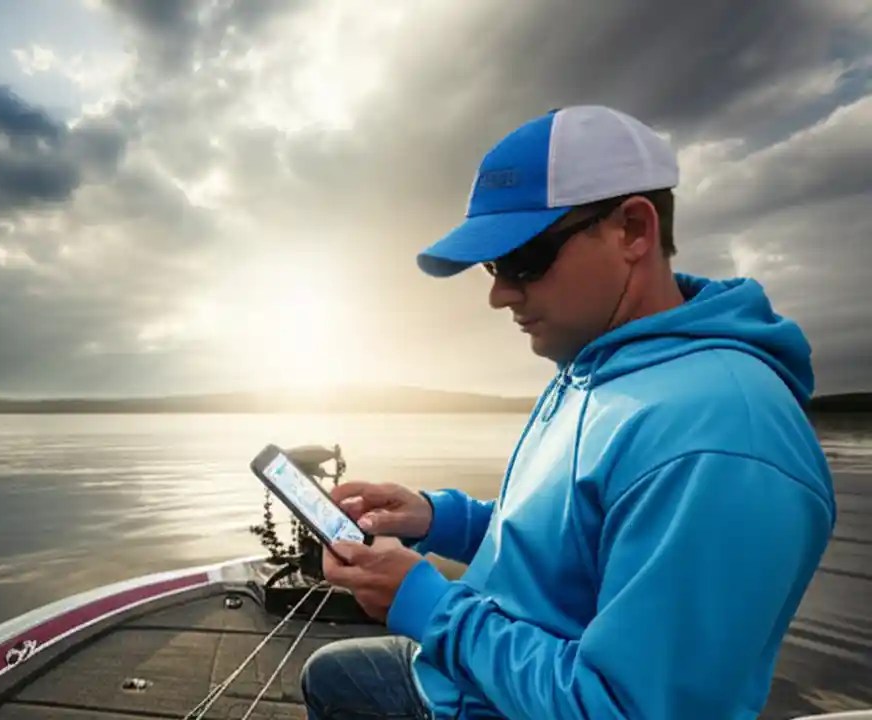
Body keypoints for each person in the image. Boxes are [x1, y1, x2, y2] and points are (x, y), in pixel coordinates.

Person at [300, 105, 837, 720]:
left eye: (525, 259)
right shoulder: (596, 368)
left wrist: (430, 607)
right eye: (493, 266)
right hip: (476, 682)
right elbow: (569, 547)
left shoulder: (717, 439)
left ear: (633, 229)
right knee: (332, 675)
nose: (499, 293)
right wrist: (437, 518)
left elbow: (625, 710)